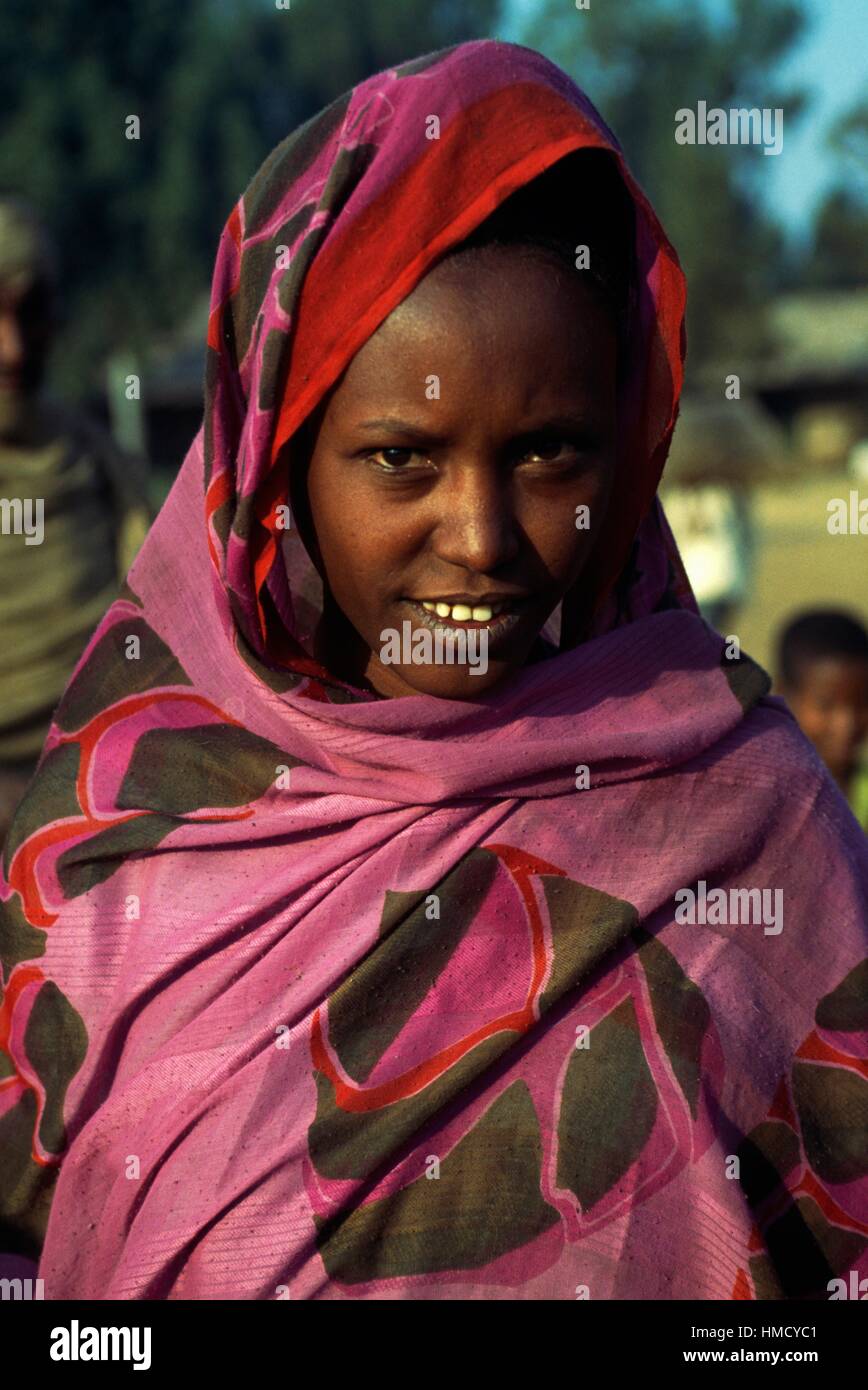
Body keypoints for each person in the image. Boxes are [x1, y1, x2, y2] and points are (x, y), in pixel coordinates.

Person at [1, 41, 866, 1302]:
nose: (482, 538)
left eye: (550, 453)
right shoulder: (110, 857)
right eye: (401, 458)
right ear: (277, 465)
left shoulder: (747, 813)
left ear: (625, 454)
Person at [0, 198, 151, 844]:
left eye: (27, 314)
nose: (9, 350)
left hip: (103, 779)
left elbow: (161, 624)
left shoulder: (97, 465)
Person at [777, 609, 868, 830]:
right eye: (826, 706)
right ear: (783, 696)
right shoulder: (772, 793)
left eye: (862, 702)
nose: (846, 724)